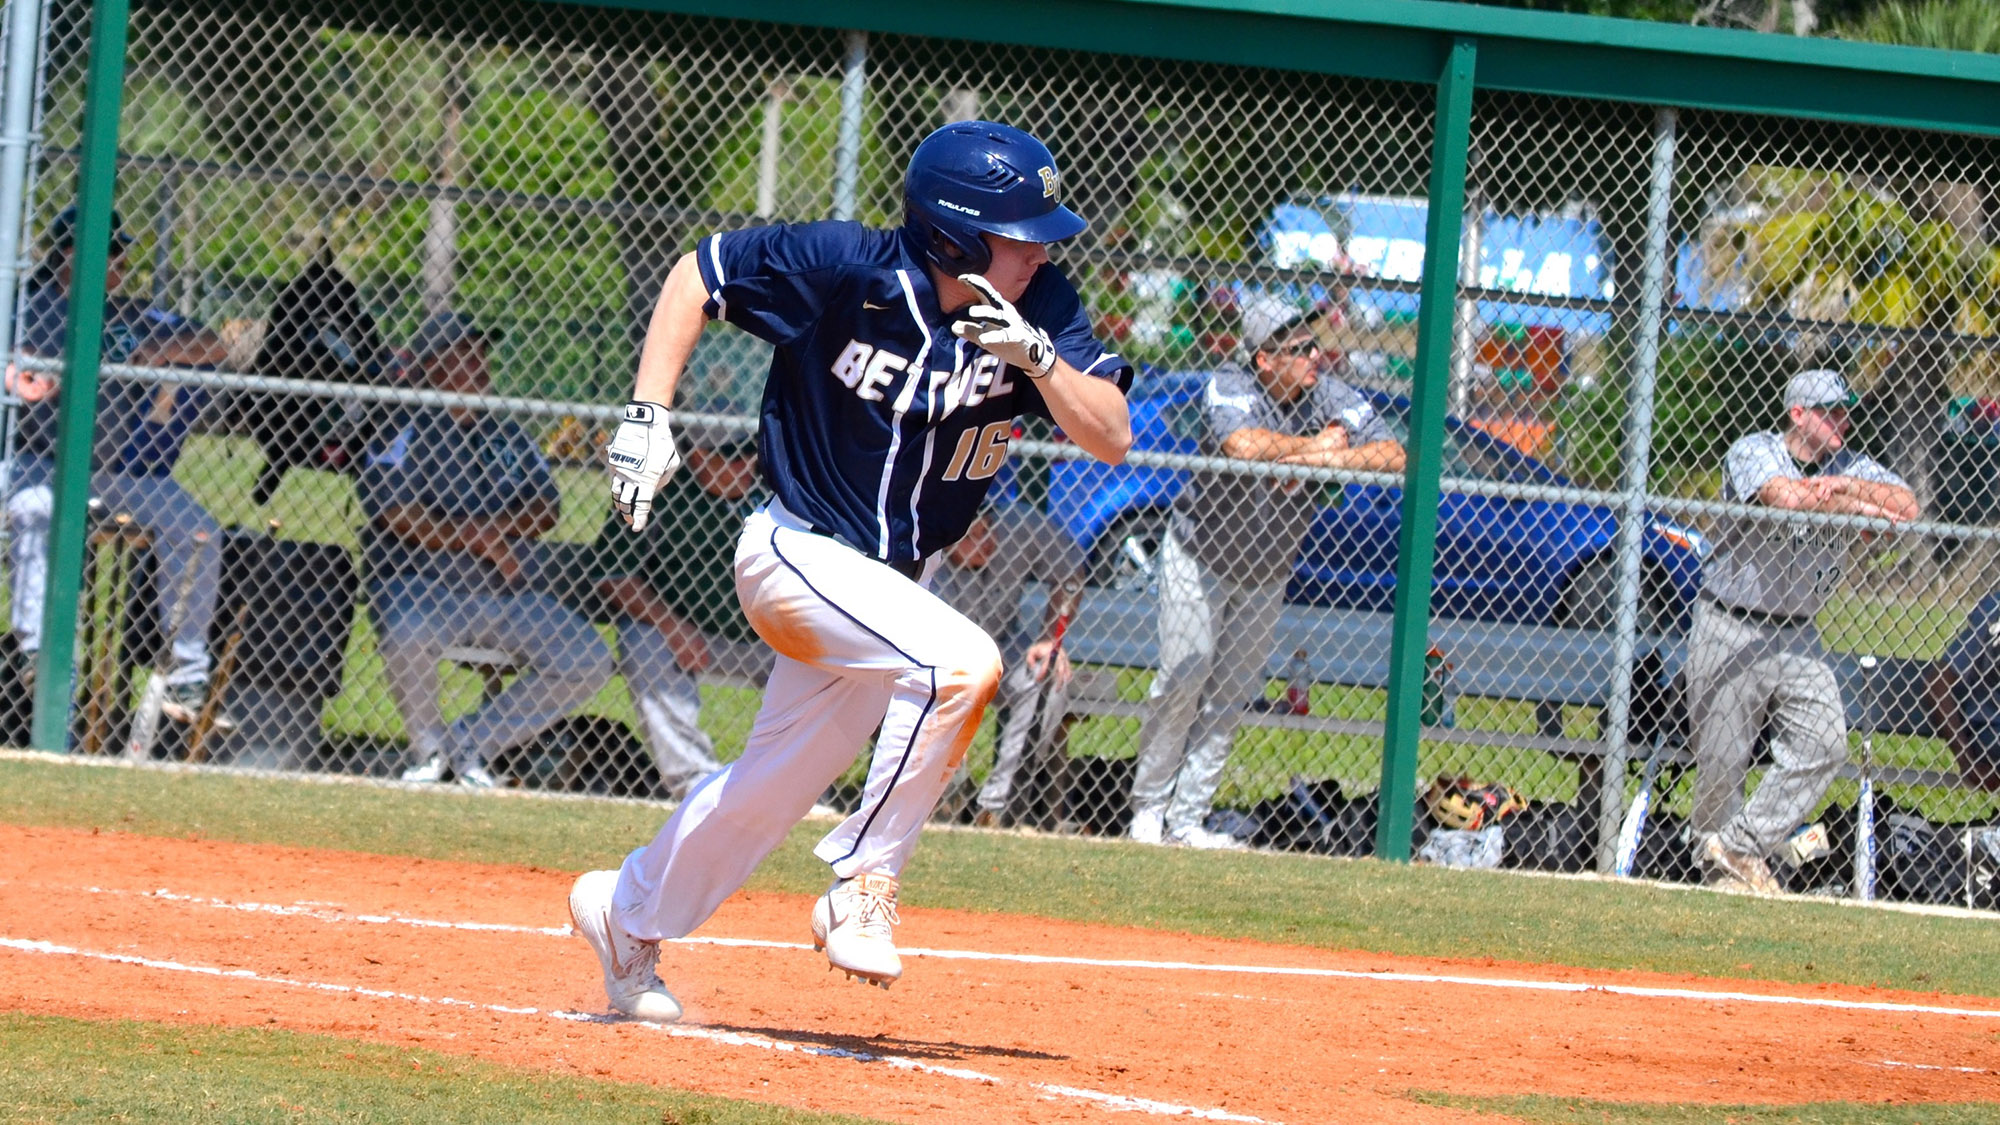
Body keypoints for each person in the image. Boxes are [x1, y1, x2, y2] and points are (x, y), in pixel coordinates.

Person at [567, 120, 1133, 1023]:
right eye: (1019, 235)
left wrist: (1036, 356)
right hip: (795, 551)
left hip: (893, 586)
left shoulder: (1045, 307)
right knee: (962, 663)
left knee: (771, 789)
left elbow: (1110, 434)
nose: (1039, 251)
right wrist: (647, 411)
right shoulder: (845, 267)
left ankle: (625, 911)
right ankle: (862, 882)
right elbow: (697, 276)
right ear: (955, 232)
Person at [1127, 293, 1405, 849]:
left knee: (1229, 694)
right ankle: (1148, 811)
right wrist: (1313, 447)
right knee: (1185, 676)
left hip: (1268, 568)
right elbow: (1241, 442)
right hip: (1200, 555)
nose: (1314, 356)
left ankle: (1187, 821)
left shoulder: (1326, 392)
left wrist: (1328, 457)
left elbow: (1395, 453)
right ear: (1265, 360)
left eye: (1314, 344)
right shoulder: (1231, 382)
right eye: (1299, 348)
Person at [357, 312, 612, 788]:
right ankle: (429, 750)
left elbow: (546, 507)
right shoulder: (401, 424)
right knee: (407, 633)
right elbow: (396, 513)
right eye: (462, 354)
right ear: (432, 366)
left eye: (479, 353)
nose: (478, 363)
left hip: (504, 595)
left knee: (588, 658)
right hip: (422, 587)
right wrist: (477, 538)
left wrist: (492, 532)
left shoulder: (507, 432)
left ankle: (471, 741)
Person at [1688, 369, 1918, 894]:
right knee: (1723, 760)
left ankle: (1740, 847)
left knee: (1824, 741)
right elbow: (1786, 497)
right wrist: (1854, 506)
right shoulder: (1754, 450)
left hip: (1798, 634)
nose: (1843, 420)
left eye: (1845, 410)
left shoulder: (1850, 464)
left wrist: (1846, 485)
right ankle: (1716, 873)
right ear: (1798, 415)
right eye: (1829, 411)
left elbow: (1907, 507)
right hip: (1730, 623)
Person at [5, 206, 231, 724]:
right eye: (113, 253)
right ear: (73, 256)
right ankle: (39, 653)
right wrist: (56, 375)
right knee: (36, 511)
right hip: (39, 463)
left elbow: (215, 343)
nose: (122, 262)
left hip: (119, 473)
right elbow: (22, 381)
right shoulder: (32, 309)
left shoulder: (129, 314)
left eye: (122, 252)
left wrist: (157, 350)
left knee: (197, 529)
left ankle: (186, 674)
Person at [591, 423, 772, 800]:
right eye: (732, 457)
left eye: (748, 455)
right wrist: (672, 627)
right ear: (698, 457)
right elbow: (613, 576)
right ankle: (696, 785)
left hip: (771, 639)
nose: (745, 466)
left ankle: (790, 788)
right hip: (684, 634)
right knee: (642, 640)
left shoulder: (776, 496)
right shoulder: (658, 493)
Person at [930, 501, 1086, 828]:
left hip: (997, 645)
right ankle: (941, 790)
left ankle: (998, 807)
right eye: (973, 535)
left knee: (1046, 676)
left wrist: (1050, 639)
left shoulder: (1020, 526)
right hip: (932, 654)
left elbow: (1071, 571)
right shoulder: (926, 549)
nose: (987, 542)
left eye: (989, 530)